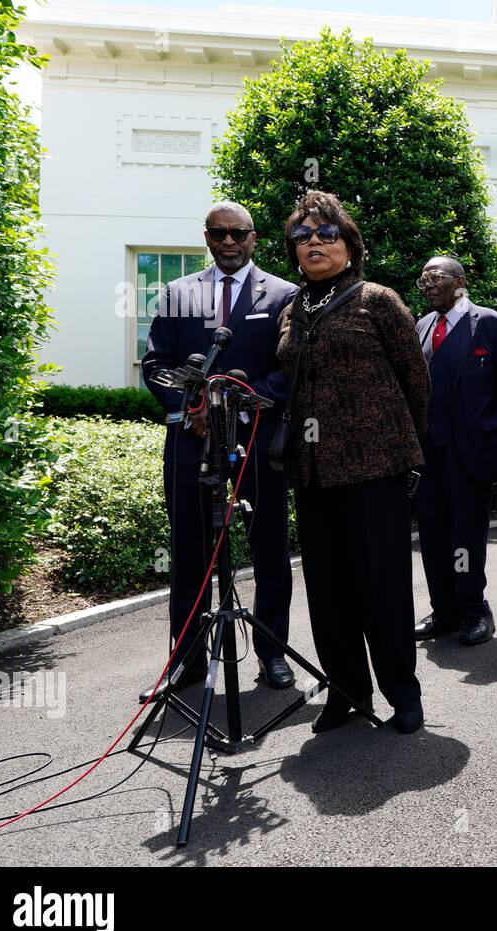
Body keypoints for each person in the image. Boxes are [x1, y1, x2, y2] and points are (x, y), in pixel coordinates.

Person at [275, 191, 431, 733]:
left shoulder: (378, 300)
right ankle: (345, 690)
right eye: (302, 237)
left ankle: (402, 694)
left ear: (349, 244)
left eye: (326, 234)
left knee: (381, 586)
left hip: (376, 470)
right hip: (312, 474)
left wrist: (407, 454)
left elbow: (416, 381)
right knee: (327, 590)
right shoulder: (292, 308)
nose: (313, 242)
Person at [140, 200, 296, 700]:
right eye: (218, 233)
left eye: (238, 233)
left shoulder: (285, 294)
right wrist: (192, 407)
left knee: (269, 546)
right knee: (190, 551)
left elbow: (290, 369)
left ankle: (272, 653)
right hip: (191, 439)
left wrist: (238, 401)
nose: (229, 241)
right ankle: (186, 660)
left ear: (254, 237)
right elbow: (155, 363)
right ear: (206, 237)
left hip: (254, 438)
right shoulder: (179, 292)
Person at [412, 257, 497, 648]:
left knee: (466, 537)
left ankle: (474, 609)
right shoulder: (422, 326)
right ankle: (443, 610)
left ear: (459, 282)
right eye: (423, 278)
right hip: (429, 453)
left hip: (470, 454)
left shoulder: (491, 324)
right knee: (432, 534)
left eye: (435, 277)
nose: (427, 284)